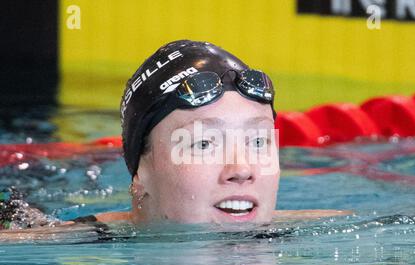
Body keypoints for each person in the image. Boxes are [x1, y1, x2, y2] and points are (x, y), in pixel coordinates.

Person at [0, 40, 348, 240]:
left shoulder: (333, 230)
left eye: (259, 142)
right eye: (203, 144)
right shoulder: (53, 243)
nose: (242, 170)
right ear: (141, 173)